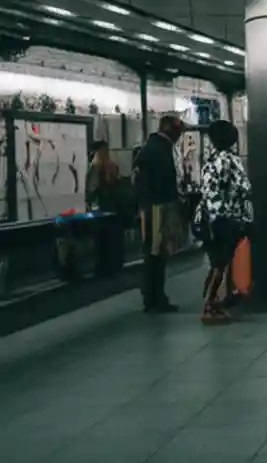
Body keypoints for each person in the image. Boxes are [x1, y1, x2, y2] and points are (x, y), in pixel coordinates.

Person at [193, 121, 252, 324]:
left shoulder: (211, 161)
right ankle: (212, 304)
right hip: (225, 219)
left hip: (211, 218)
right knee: (221, 263)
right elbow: (243, 188)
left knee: (217, 263)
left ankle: (215, 301)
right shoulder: (230, 160)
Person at [132, 114, 186, 313]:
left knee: (156, 254)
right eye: (178, 130)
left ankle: (154, 296)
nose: (180, 134)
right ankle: (154, 297)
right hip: (157, 208)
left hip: (154, 206)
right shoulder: (158, 149)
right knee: (156, 254)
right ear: (169, 129)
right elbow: (151, 181)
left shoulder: (153, 148)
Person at [87, 140, 128, 275]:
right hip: (112, 209)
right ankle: (113, 264)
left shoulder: (96, 167)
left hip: (102, 209)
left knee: (103, 239)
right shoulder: (109, 166)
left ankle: (104, 266)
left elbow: (91, 190)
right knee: (111, 238)